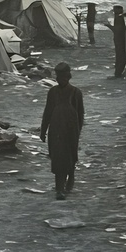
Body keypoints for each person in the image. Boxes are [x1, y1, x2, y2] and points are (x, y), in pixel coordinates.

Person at [40, 62, 84, 200]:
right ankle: (60, 188)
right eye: (58, 77)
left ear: (68, 77)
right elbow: (47, 112)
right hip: (56, 130)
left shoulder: (75, 92)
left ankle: (70, 177)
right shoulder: (53, 92)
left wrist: (78, 131)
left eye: (64, 77)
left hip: (71, 130)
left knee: (70, 156)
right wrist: (43, 130)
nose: (61, 80)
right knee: (57, 158)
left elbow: (80, 114)